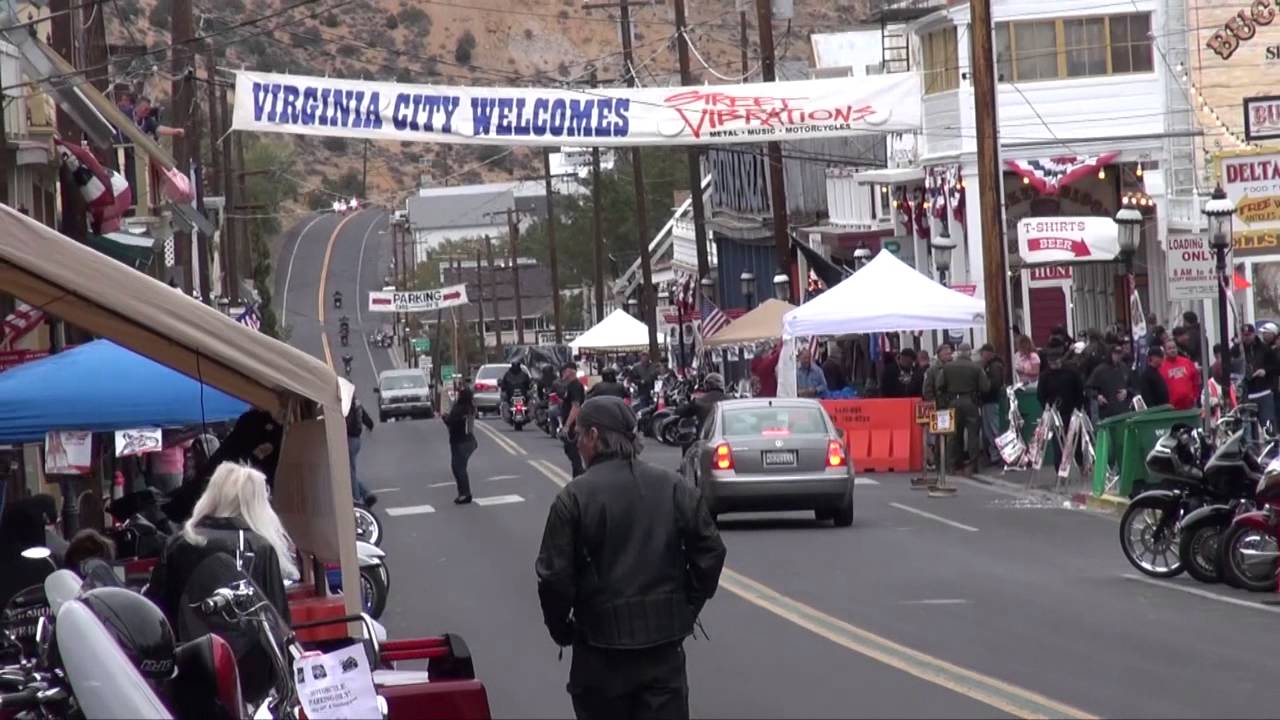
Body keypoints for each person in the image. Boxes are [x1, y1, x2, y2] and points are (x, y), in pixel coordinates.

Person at [535, 396, 726, 720]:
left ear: (594, 436)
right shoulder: (673, 486)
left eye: (578, 435)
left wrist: (562, 628)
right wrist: (686, 606)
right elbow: (710, 551)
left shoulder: (574, 497)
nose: (577, 444)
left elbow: (554, 576)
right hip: (662, 648)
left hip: (600, 650)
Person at [146, 462, 295, 630]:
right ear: (257, 504)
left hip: (188, 648)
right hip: (246, 650)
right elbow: (279, 620)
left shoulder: (179, 543)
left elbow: (157, 610)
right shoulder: (261, 547)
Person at [936, 344, 989, 473]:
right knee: (973, 434)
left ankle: (952, 465)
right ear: (969, 353)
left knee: (953, 435)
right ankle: (972, 465)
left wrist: (947, 396)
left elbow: (939, 385)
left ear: (958, 353)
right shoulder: (976, 368)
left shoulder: (947, 367)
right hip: (970, 402)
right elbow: (985, 387)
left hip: (953, 402)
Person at [442, 387, 478, 505]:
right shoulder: (470, 408)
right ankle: (463, 493)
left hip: (460, 441)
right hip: (468, 441)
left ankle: (465, 493)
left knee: (458, 468)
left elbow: (452, 421)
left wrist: (445, 417)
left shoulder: (460, 408)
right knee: (459, 467)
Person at [1086, 344, 1132, 420]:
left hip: (1124, 411)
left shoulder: (1124, 368)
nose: (1118, 356)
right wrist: (1097, 396)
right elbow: (1088, 388)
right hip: (1107, 412)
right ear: (1110, 354)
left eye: (1119, 354)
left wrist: (1127, 392)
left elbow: (1134, 386)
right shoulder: (1100, 370)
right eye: (1115, 353)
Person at [346, 396, 377, 506]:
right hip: (356, 440)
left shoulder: (345, 404)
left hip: (348, 439)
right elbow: (367, 419)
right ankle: (365, 493)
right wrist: (370, 425)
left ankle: (357, 498)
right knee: (349, 471)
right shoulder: (356, 403)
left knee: (349, 472)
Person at [559, 362, 588, 477]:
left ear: (571, 371)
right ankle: (577, 475)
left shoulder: (575, 385)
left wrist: (567, 425)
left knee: (573, 451)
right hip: (569, 422)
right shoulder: (570, 385)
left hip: (573, 424)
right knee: (570, 451)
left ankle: (579, 475)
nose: (562, 374)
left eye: (564, 371)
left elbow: (576, 406)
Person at [978, 344, 1005, 466]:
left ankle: (999, 455)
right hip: (988, 400)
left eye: (982, 353)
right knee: (990, 429)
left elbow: (995, 384)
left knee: (993, 429)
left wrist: (984, 386)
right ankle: (995, 455)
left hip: (991, 400)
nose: (981, 356)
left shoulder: (993, 366)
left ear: (988, 353)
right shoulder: (993, 365)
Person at [1159, 339, 1201, 411]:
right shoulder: (1161, 367)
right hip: (1171, 408)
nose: (1172, 350)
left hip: (1190, 405)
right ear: (1165, 351)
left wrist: (1195, 396)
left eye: (1174, 347)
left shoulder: (1187, 362)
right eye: (1169, 348)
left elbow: (1196, 380)